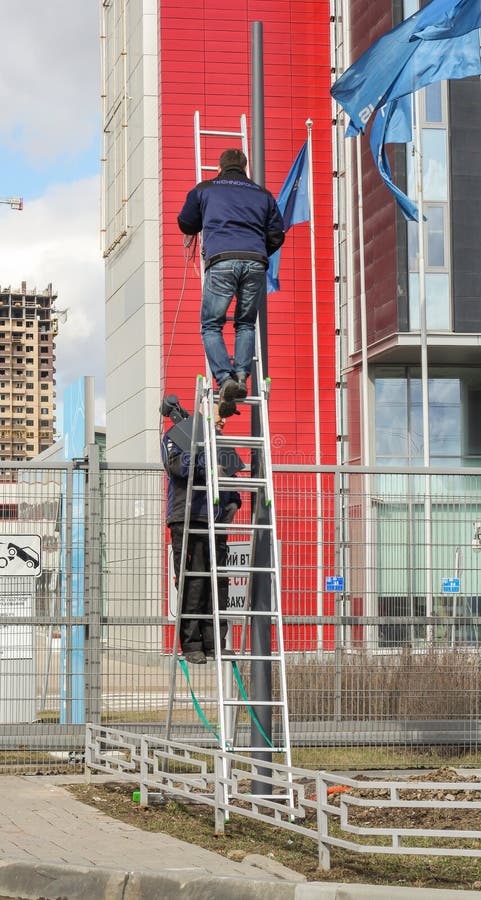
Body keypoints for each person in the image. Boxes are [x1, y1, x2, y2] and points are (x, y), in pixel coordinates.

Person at [178, 148, 285, 417]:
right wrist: (257, 252)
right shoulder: (263, 194)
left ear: (219, 167)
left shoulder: (206, 189)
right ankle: (240, 379)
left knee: (212, 324)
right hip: (255, 262)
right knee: (245, 323)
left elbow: (186, 223)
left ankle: (225, 378)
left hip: (222, 260)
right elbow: (277, 234)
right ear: (246, 167)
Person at [162, 404, 242, 664]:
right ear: (205, 410)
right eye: (222, 415)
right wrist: (207, 465)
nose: (225, 422)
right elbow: (177, 467)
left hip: (216, 521)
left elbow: (231, 477)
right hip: (188, 518)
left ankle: (215, 642)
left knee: (218, 583)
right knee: (193, 581)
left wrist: (232, 503)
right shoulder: (177, 435)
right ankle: (192, 644)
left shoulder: (220, 442)